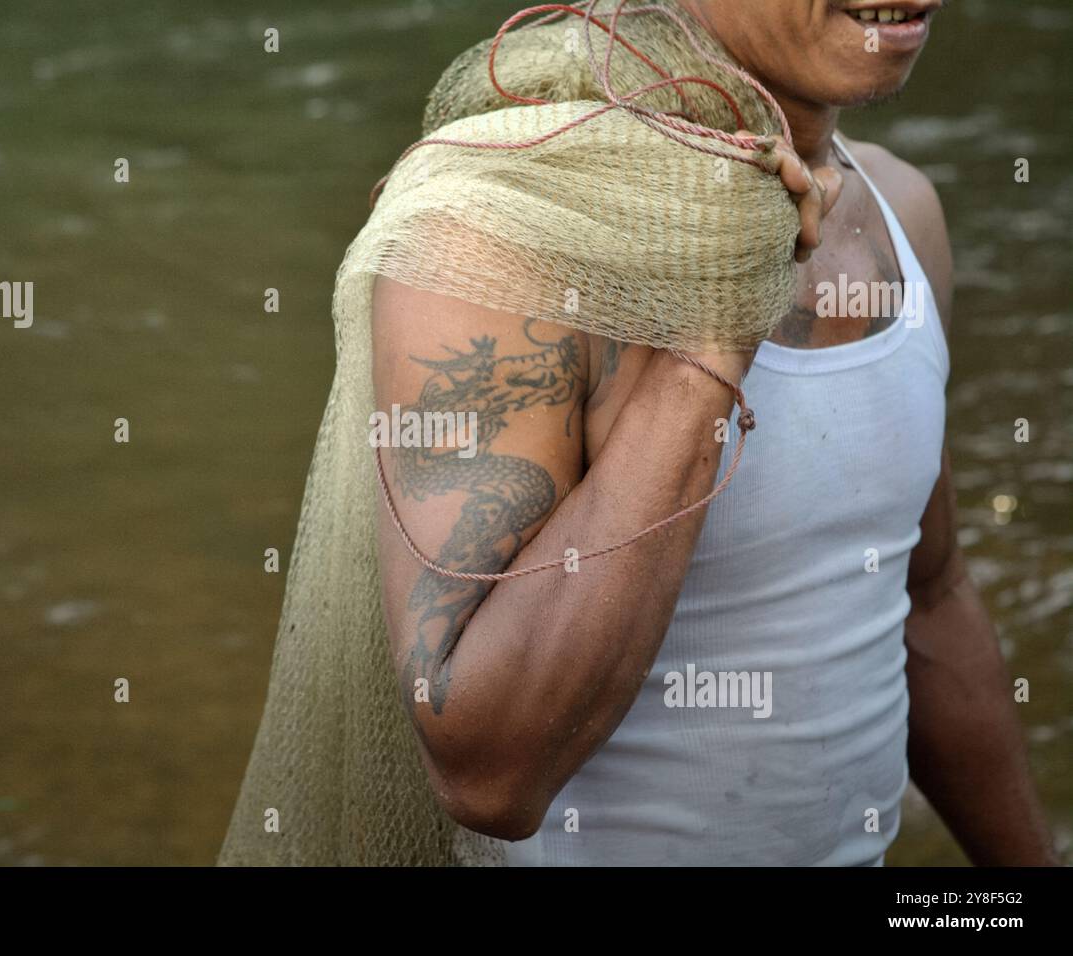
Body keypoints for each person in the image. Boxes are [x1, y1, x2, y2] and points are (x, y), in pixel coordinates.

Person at [371, 0, 1058, 864]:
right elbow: (485, 775)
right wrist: (714, 330)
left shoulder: (903, 212)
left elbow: (930, 595)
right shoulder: (503, 233)